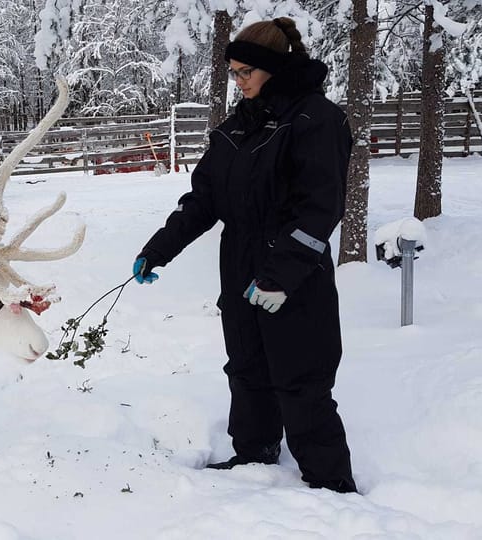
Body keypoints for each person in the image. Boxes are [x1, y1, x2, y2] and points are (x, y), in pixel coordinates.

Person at [133, 17, 357, 494]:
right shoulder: (238, 126)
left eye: (244, 72)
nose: (238, 81)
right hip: (239, 261)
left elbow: (320, 209)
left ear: (273, 69)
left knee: (301, 376)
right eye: (233, 72)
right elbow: (203, 201)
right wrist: (158, 250)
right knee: (247, 367)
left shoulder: (317, 120)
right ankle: (254, 453)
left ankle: (330, 482)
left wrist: (280, 275)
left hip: (294, 272)